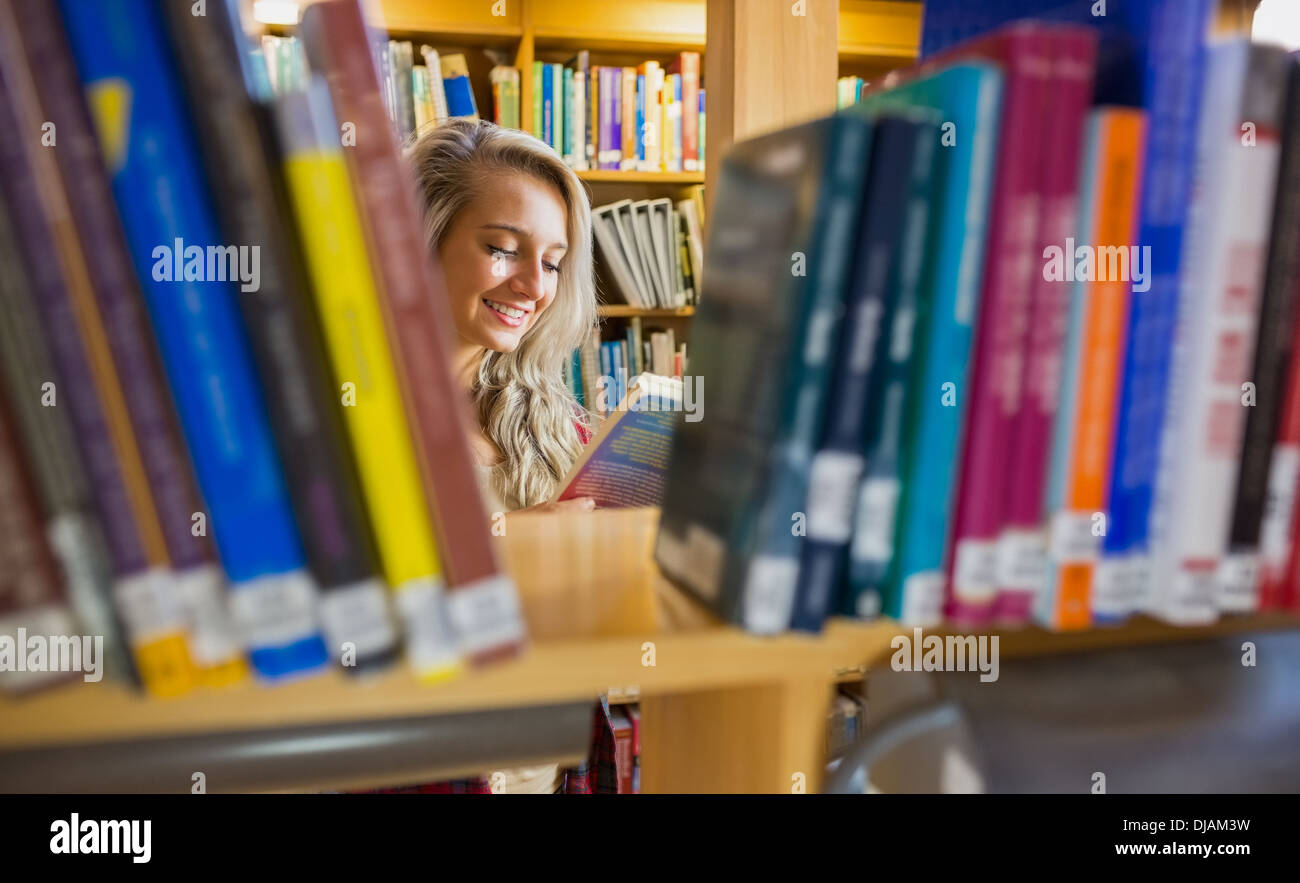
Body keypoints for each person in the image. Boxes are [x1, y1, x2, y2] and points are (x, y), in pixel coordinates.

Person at [405, 117, 604, 793]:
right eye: (502, 248)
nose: (534, 286)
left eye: (551, 262)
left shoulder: (553, 425)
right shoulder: (353, 422)